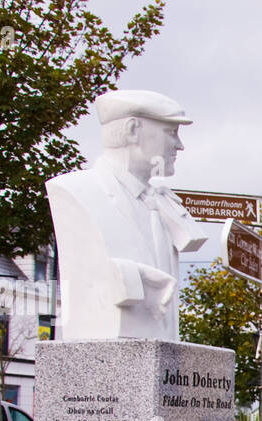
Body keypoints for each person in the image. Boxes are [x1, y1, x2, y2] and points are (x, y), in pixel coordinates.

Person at [45, 89, 207, 342]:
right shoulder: (78, 190)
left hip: (164, 350)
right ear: (132, 130)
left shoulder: (164, 203)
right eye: (171, 132)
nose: (179, 145)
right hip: (110, 343)